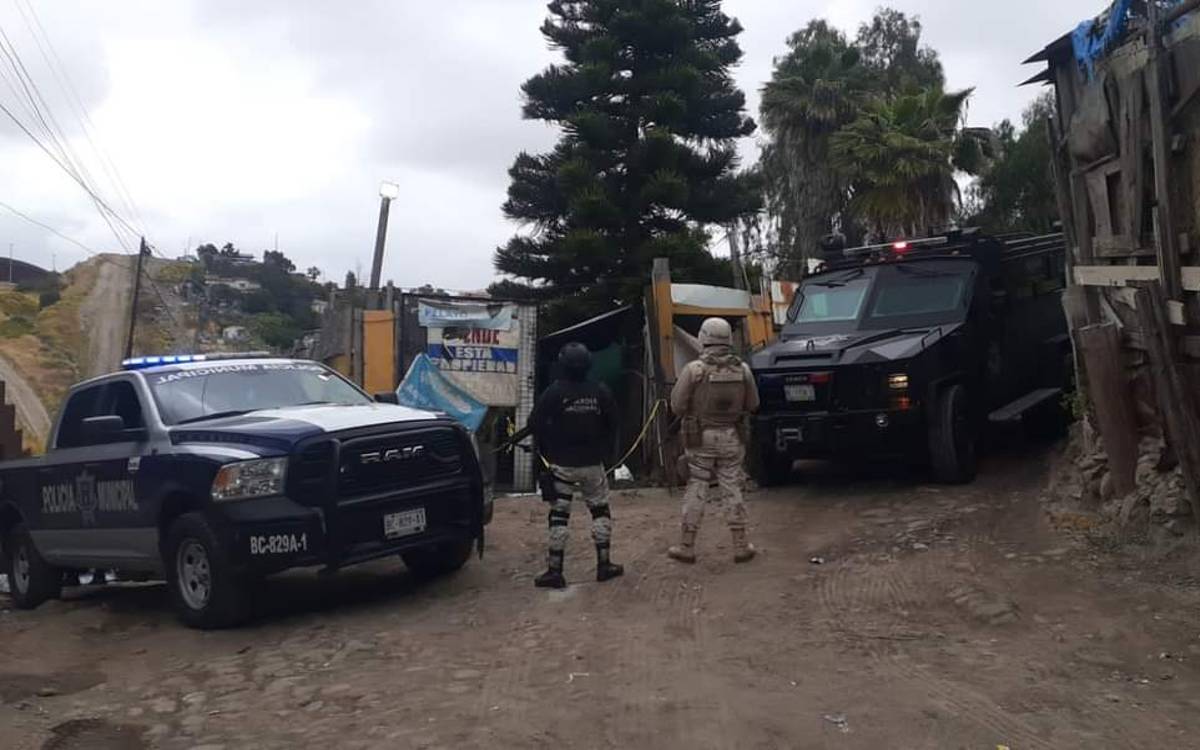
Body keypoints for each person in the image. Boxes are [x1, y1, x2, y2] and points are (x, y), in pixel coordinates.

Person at [529, 342, 624, 589]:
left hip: (562, 465)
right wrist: (607, 454)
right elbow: (613, 424)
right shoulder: (600, 391)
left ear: (563, 365)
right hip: (593, 464)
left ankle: (555, 571)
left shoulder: (554, 392)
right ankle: (604, 565)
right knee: (600, 510)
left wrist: (547, 448)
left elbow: (534, 423)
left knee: (559, 516)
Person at [668, 317, 761, 564]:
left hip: (699, 437)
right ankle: (741, 545)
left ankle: (687, 546)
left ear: (703, 337)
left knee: (697, 486)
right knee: (732, 486)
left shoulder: (694, 370)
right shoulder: (743, 370)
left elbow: (677, 406)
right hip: (732, 436)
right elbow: (753, 404)